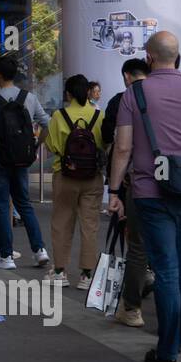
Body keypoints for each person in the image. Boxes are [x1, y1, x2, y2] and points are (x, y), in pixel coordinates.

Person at [108, 31, 181, 362]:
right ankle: (178, 336)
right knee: (180, 268)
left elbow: (122, 147)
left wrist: (113, 191)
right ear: (177, 55)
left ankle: (167, 350)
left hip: (151, 192)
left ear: (149, 57)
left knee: (166, 269)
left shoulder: (134, 93)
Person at [0, 54, 50, 269]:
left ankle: (6, 256)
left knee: (1, 206)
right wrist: (36, 146)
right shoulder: (29, 97)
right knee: (24, 204)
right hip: (22, 160)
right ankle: (39, 250)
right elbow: (46, 123)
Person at [44, 74, 107, 287]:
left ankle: (60, 272)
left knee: (62, 222)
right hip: (92, 177)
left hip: (65, 175)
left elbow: (52, 146)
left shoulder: (58, 116)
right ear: (89, 93)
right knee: (90, 225)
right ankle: (87, 275)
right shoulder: (99, 115)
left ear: (68, 94)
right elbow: (105, 145)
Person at [103, 58, 151, 327]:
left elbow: (120, 147)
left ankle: (132, 309)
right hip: (178, 183)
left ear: (126, 76)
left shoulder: (126, 98)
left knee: (137, 245)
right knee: (173, 249)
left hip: (139, 183)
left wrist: (113, 191)